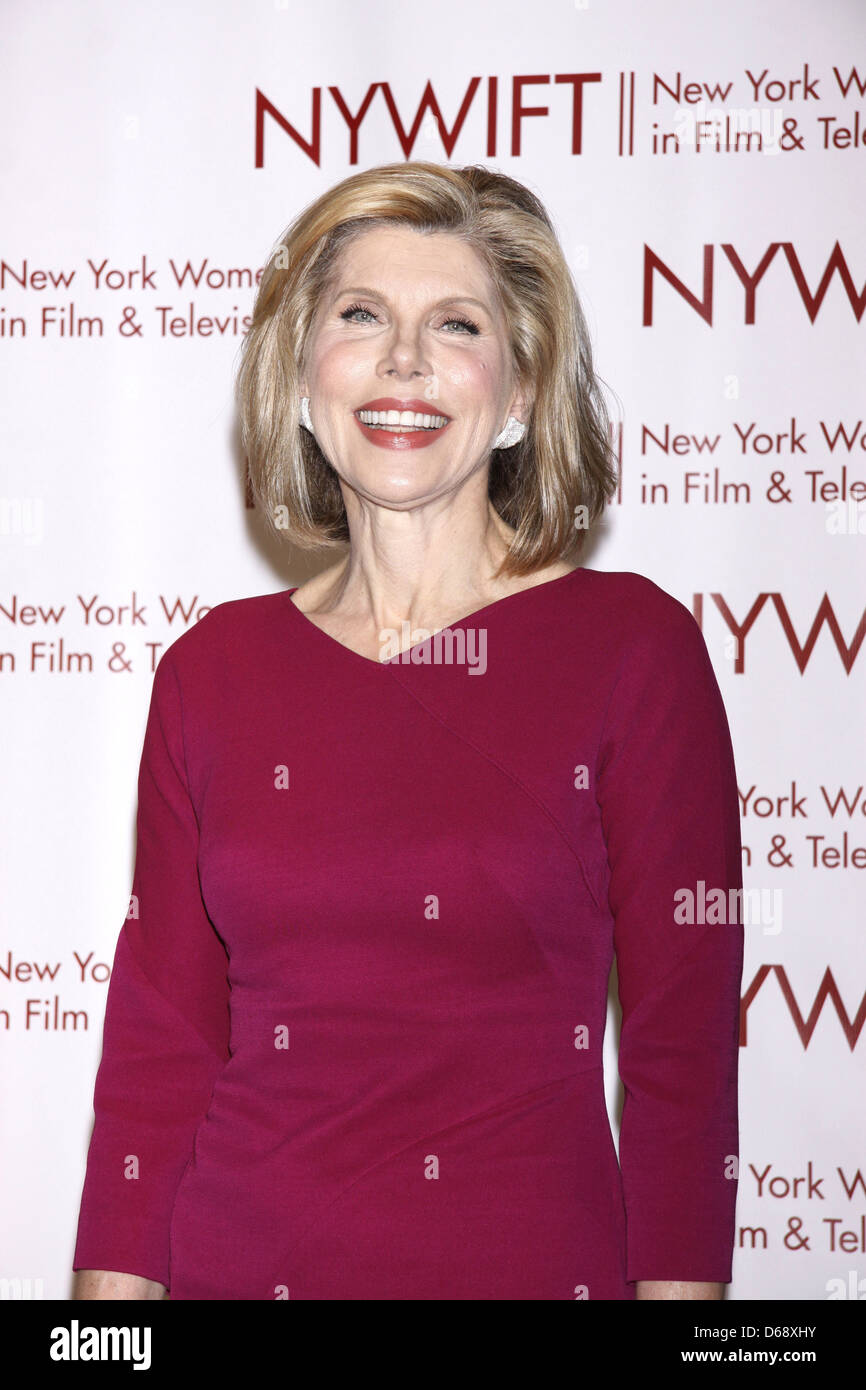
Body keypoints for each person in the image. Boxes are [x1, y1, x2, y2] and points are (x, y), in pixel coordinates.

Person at [72, 161, 744, 1301]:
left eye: (456, 325)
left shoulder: (632, 651)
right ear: (299, 378)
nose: (403, 360)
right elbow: (160, 1049)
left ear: (520, 393)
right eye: (361, 316)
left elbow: (683, 1068)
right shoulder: (210, 673)